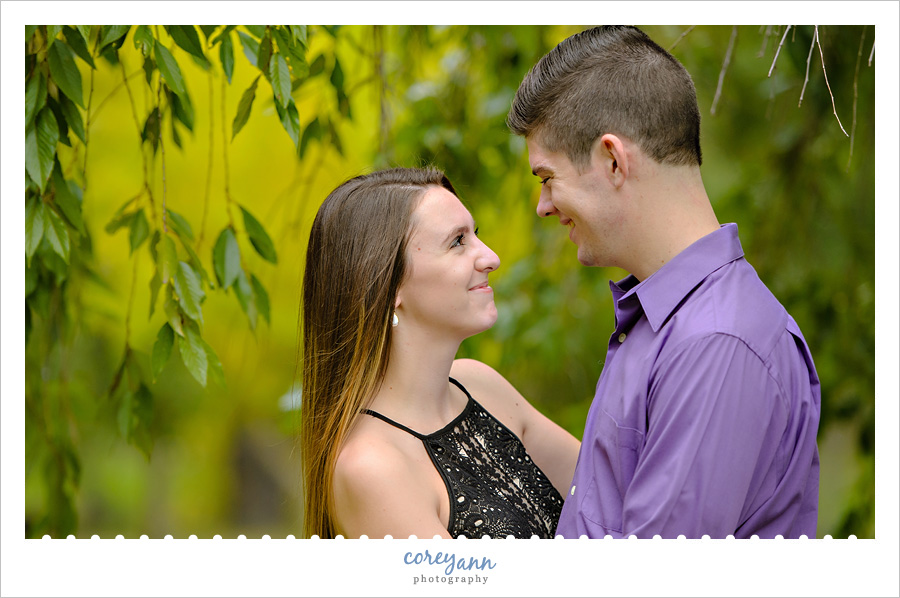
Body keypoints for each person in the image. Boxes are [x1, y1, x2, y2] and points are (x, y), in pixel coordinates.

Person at [507, 25, 821, 539]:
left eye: (546, 178)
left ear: (612, 160)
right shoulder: (666, 324)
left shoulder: (716, 344)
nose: (543, 206)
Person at [299, 167, 580, 539]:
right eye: (457, 242)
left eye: (475, 234)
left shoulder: (480, 386)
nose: (490, 258)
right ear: (389, 284)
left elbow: (613, 491)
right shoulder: (373, 466)